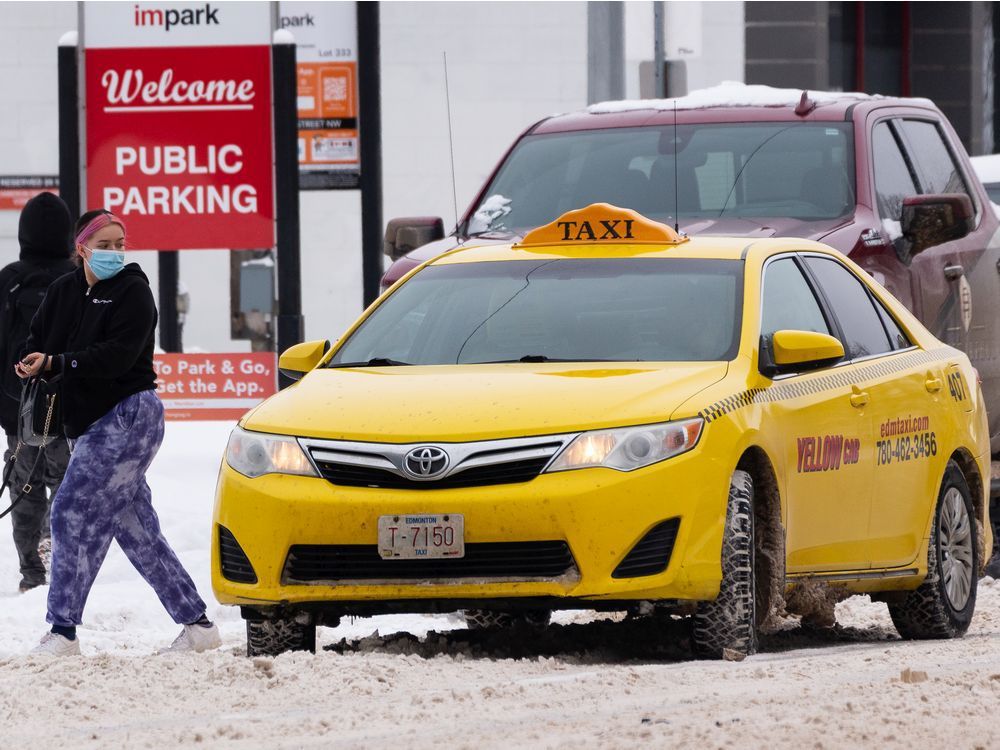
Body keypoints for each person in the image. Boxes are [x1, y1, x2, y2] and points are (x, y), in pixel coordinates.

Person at [17, 208, 221, 656]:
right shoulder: (63, 291)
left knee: (68, 510)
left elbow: (118, 356)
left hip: (129, 416)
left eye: (119, 244)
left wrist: (58, 362)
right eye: (104, 245)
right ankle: (199, 626)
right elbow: (37, 341)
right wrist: (32, 360)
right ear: (81, 248)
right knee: (136, 528)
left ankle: (62, 631)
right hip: (84, 424)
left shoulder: (133, 291)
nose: (114, 252)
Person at [0, 192, 74, 593]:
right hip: (69, 409)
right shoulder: (78, 278)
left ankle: (32, 573)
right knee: (66, 482)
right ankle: (57, 554)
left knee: (24, 487)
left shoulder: (8, 280)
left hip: (19, 410)